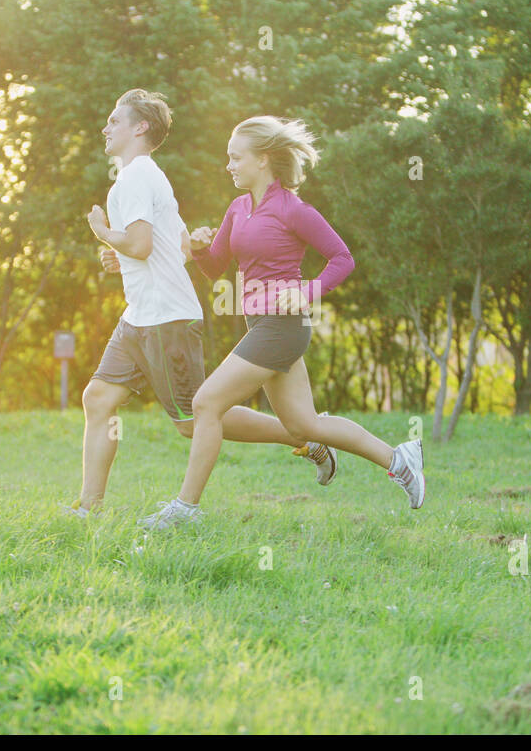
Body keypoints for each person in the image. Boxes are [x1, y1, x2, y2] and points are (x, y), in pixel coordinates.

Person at [138, 115, 426, 532]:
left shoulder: (293, 208)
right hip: (260, 325)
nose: (229, 165)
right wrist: (200, 248)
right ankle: (400, 459)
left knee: (205, 404)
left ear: (263, 159)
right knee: (303, 426)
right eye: (228, 158)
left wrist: (308, 291)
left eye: (236, 157)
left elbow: (342, 259)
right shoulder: (238, 208)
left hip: (284, 326)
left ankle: (185, 510)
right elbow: (216, 267)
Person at [69, 90, 336, 517]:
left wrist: (103, 232)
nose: (106, 127)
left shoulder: (139, 175)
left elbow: (139, 243)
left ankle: (302, 437)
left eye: (114, 120)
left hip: (167, 316)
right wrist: (118, 256)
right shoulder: (135, 177)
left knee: (194, 422)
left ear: (140, 127)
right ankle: (88, 508)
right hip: (139, 313)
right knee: (98, 398)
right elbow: (160, 247)